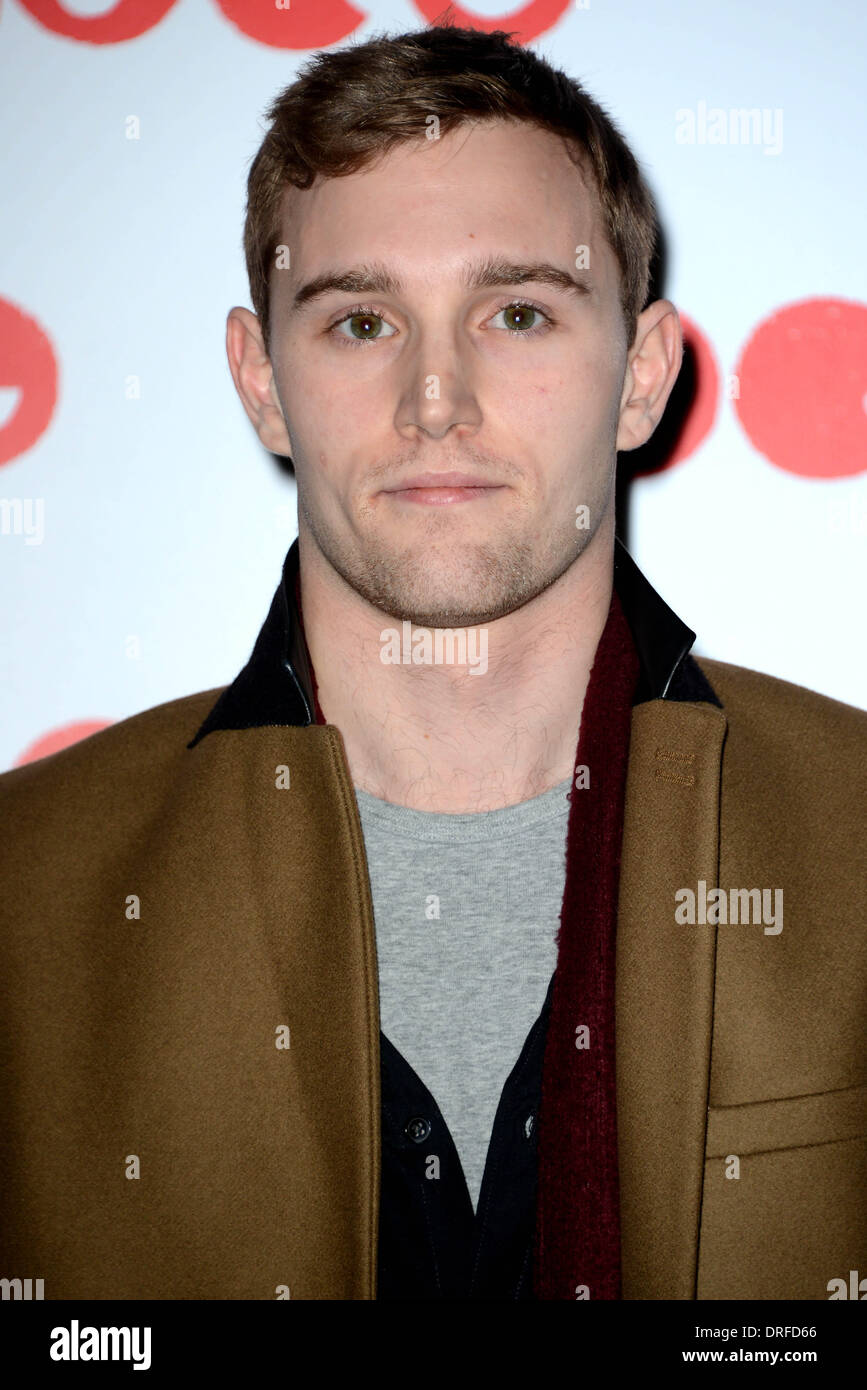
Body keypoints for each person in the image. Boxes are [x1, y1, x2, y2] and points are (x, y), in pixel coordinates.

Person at [1, 22, 864, 1302]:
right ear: (259, 382)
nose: (437, 399)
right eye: (360, 322)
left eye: (517, 312)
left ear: (641, 374)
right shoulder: (26, 887)